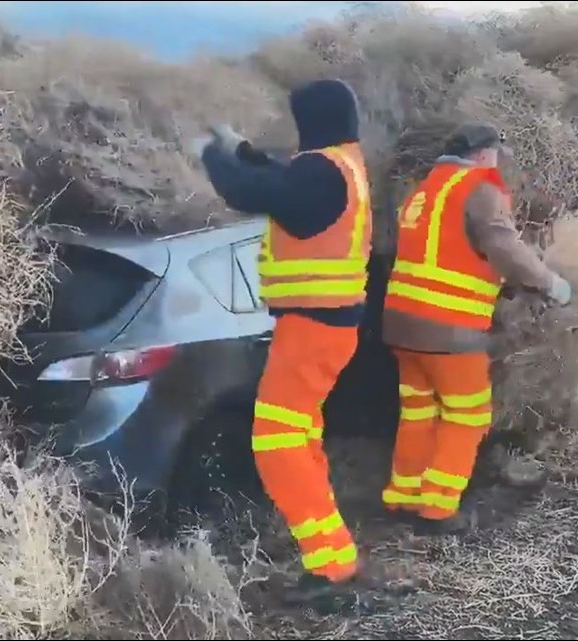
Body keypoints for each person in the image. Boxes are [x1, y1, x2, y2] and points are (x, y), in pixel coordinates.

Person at [193, 78, 372, 604]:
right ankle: (333, 556)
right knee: (299, 436)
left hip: (314, 328)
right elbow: (283, 182)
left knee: (277, 443)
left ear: (308, 119)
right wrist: (243, 150)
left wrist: (209, 155)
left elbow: (255, 194)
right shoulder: (341, 164)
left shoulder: (322, 171)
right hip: (326, 327)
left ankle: (331, 566)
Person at [380, 122, 573, 533]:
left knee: (419, 410)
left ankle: (402, 496)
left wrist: (495, 283)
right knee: (467, 414)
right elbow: (504, 246)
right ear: (484, 154)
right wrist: (549, 283)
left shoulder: (424, 190)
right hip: (448, 329)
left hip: (401, 325)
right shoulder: (478, 188)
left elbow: (446, 252)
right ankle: (437, 510)